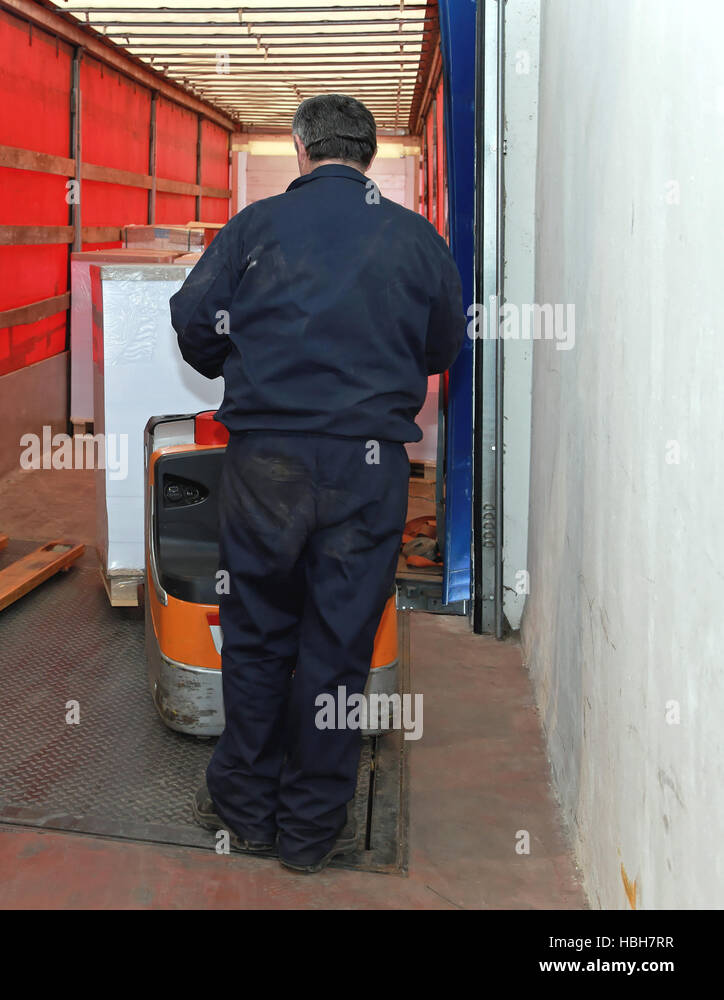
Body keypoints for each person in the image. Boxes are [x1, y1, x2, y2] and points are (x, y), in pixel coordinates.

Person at [170, 94, 464, 873]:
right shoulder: (416, 238)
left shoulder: (253, 229)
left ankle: (245, 810)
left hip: (265, 466)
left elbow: (194, 322)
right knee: (336, 649)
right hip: (367, 471)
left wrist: (245, 364)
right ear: (367, 156)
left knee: (259, 637)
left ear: (302, 150)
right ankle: (310, 830)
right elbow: (442, 345)